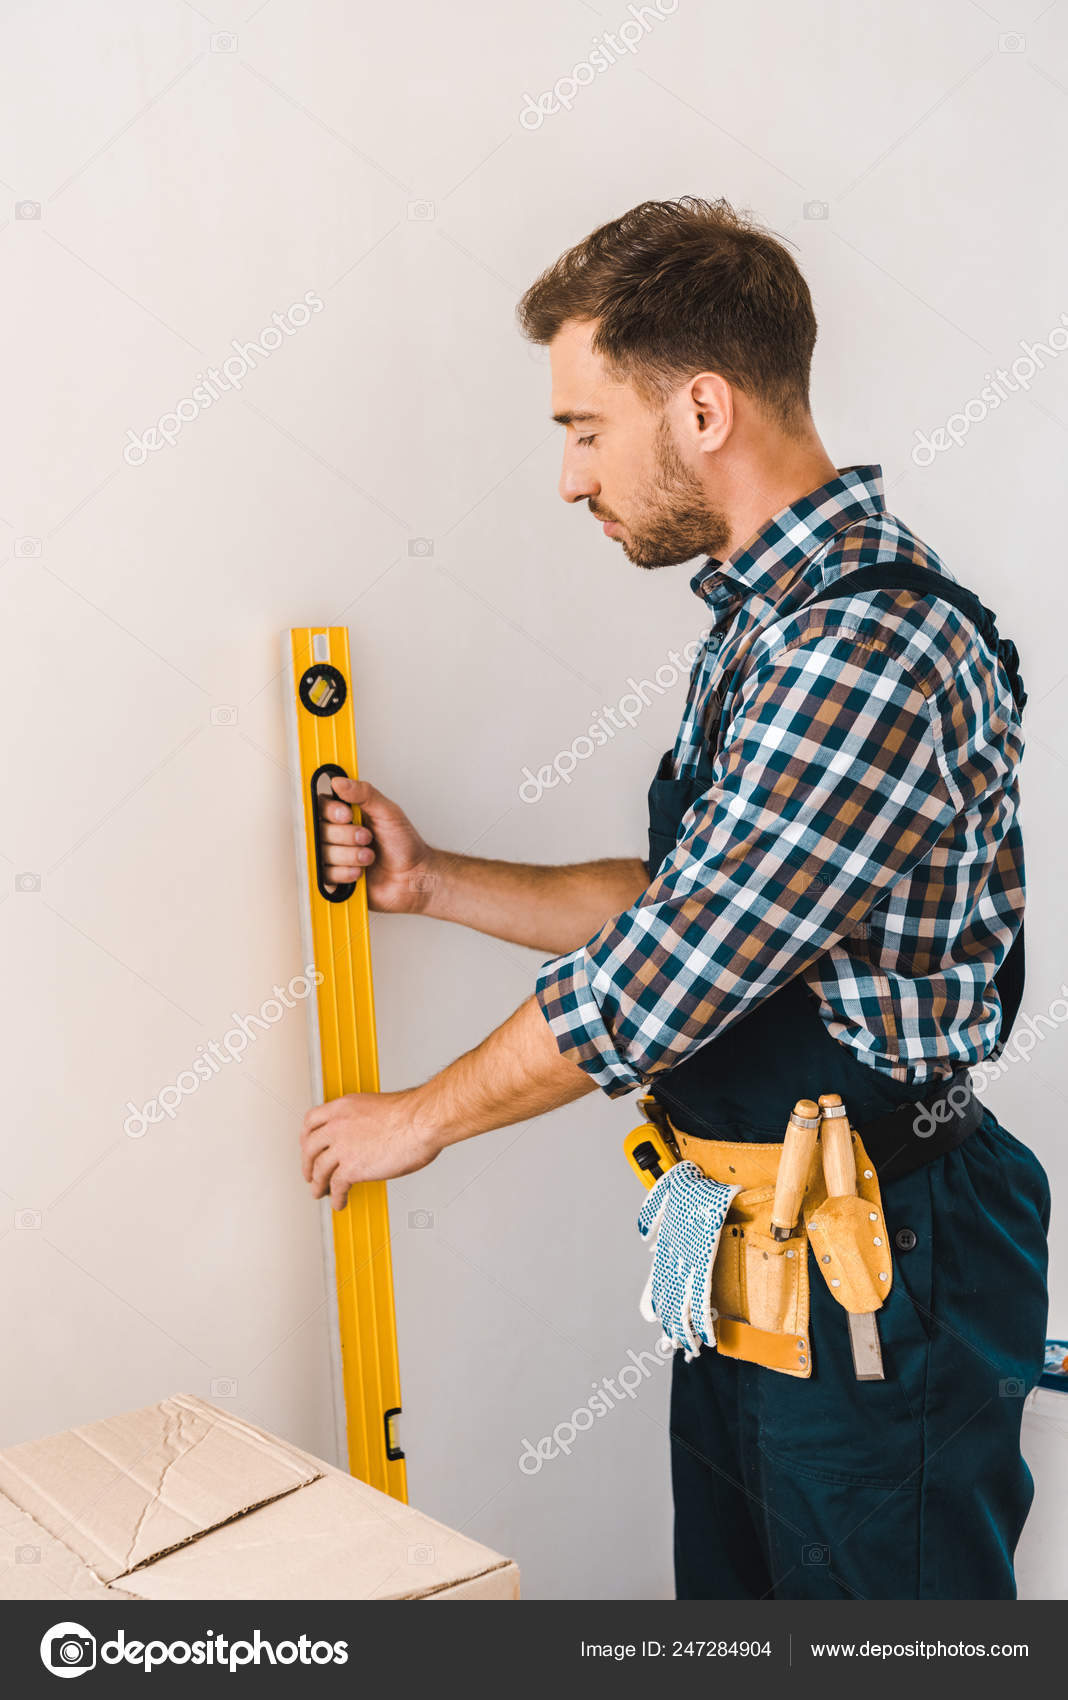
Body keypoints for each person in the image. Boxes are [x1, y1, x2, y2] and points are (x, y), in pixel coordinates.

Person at [299, 198, 1050, 1600]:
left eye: (585, 428)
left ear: (701, 405)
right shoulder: (767, 623)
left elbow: (667, 977)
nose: (571, 479)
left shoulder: (869, 646)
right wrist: (438, 882)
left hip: (877, 1271)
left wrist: (421, 1120)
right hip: (762, 1258)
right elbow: (693, 901)